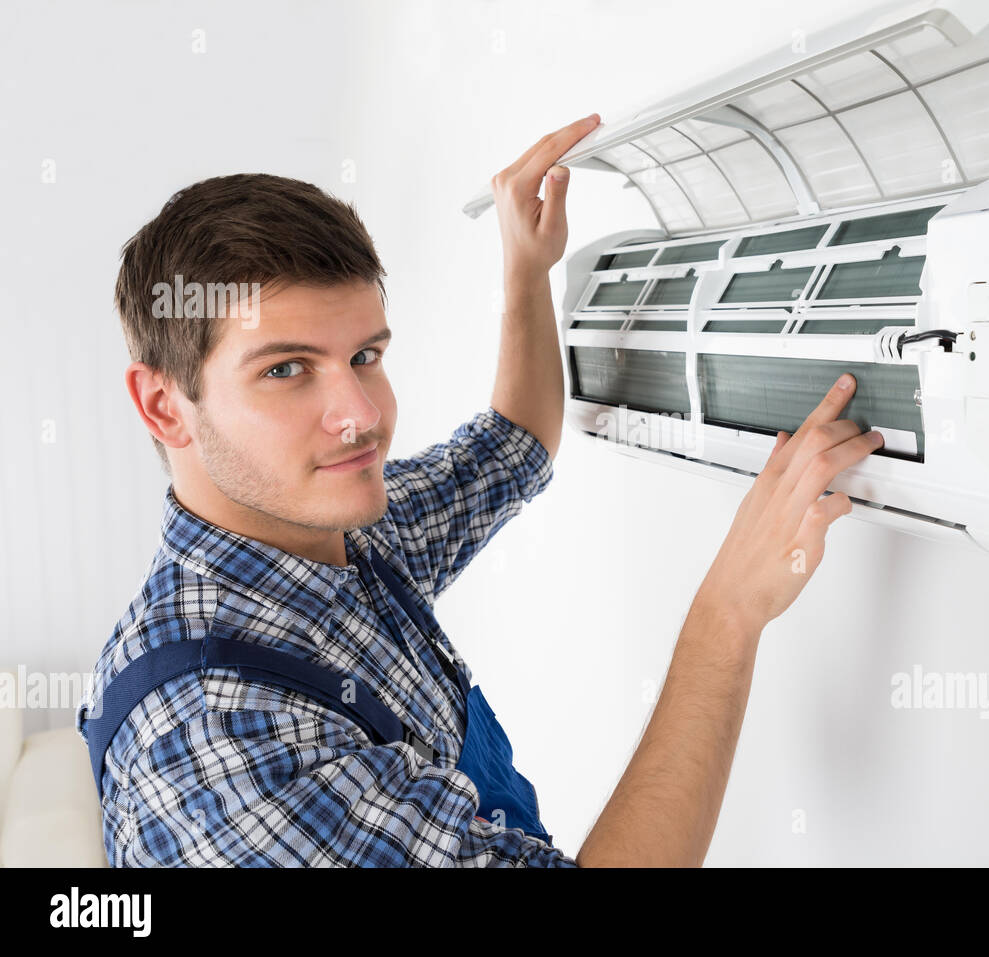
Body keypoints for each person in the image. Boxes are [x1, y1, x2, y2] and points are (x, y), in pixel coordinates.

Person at [76, 114, 886, 867]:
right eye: (285, 370)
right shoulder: (220, 750)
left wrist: (527, 270)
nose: (362, 418)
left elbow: (512, 446)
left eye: (366, 356)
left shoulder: (338, 540)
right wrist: (728, 614)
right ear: (162, 405)